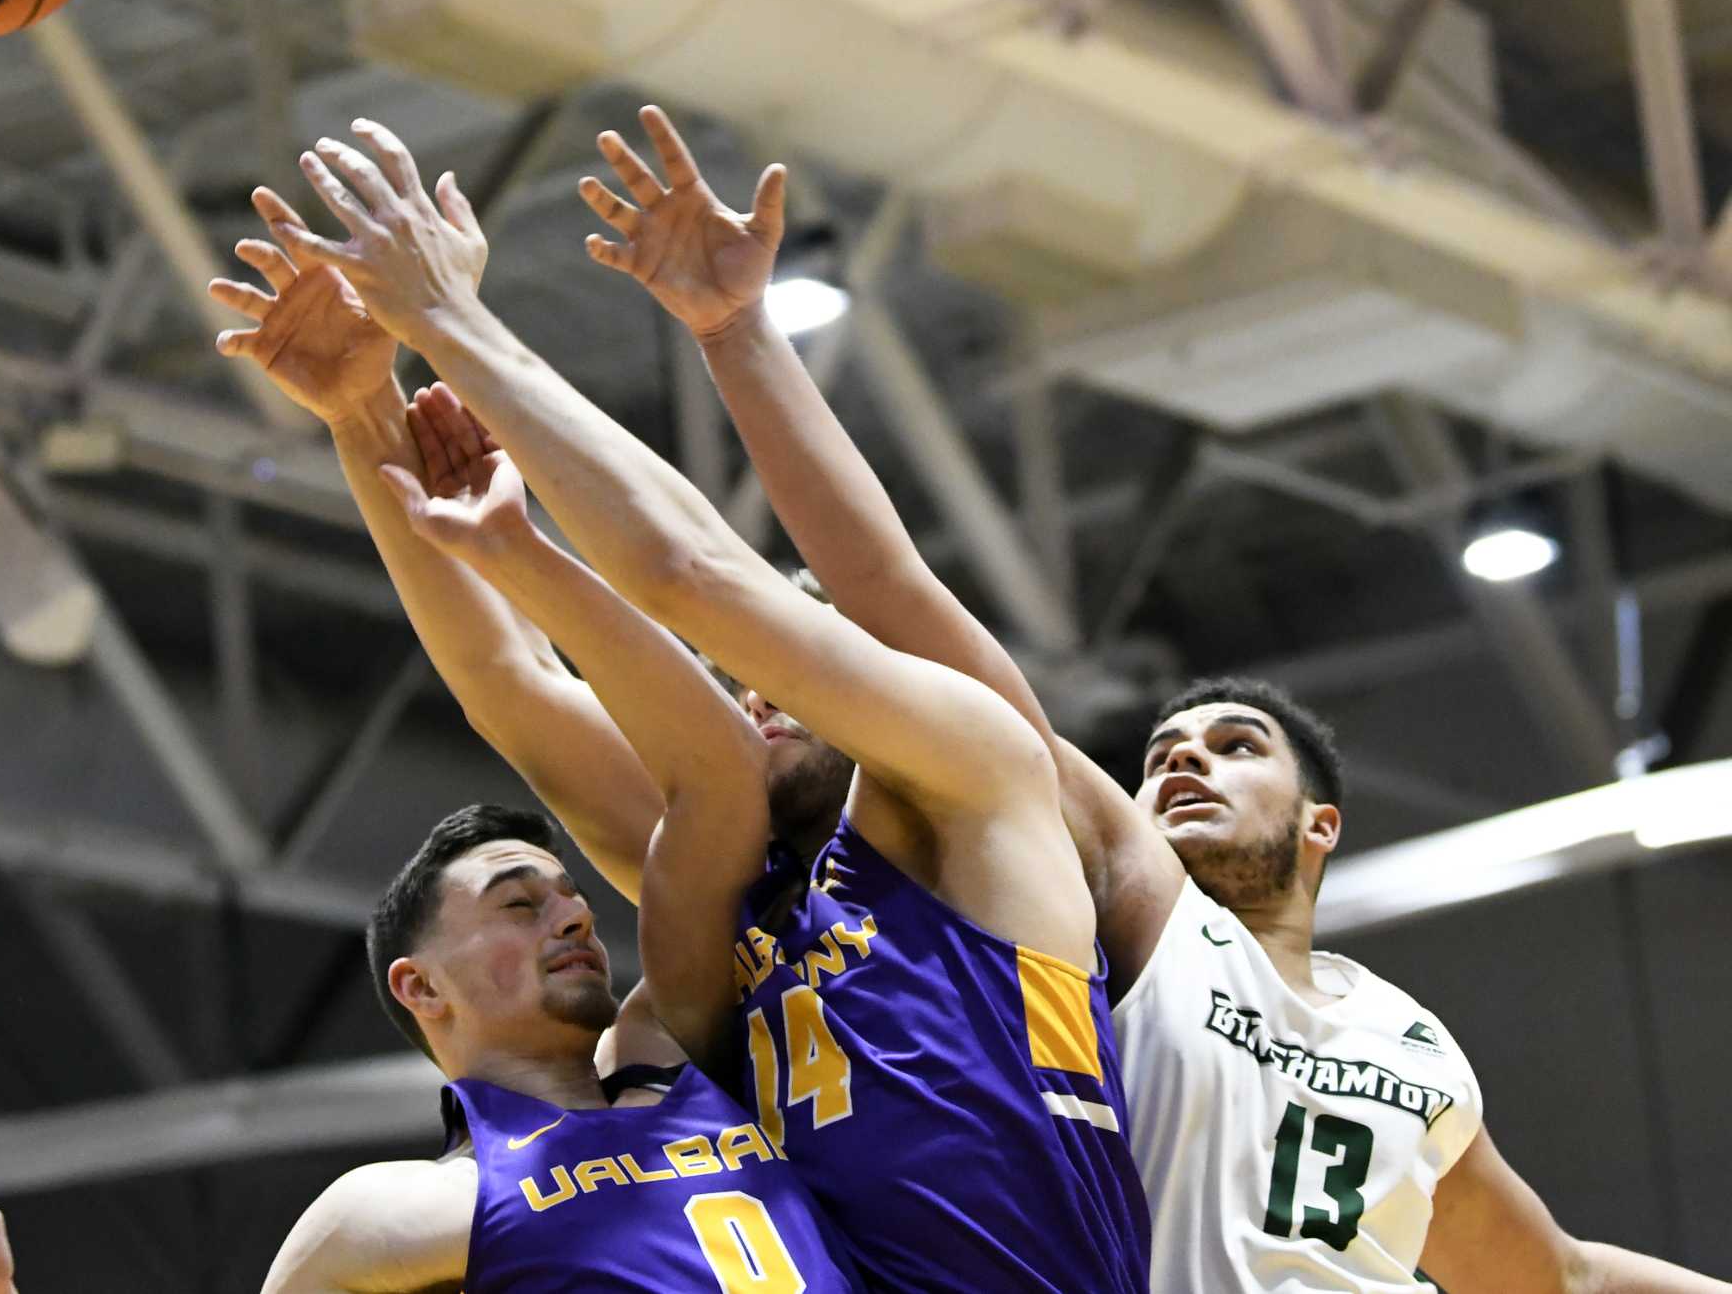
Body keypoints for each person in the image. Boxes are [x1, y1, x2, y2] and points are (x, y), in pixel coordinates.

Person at [558, 107, 1732, 1293]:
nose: (1184, 759)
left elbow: (1562, 1273)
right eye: (1165, 744)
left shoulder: (1407, 1037)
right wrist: (738, 335)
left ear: (1319, 819)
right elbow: (887, 589)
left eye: (1235, 744)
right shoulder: (1134, 898)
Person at [224, 116, 1150, 1293]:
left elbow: (689, 579)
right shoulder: (733, 907)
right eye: (734, 685)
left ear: (860, 674)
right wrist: (364, 413)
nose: (749, 693)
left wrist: (449, 319)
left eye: (784, 667)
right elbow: (515, 692)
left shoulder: (975, 779)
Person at [0, 801, 864, 1294]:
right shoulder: (395, 1211)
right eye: (517, 901)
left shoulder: (677, 1057)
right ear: (419, 986)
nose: (573, 916)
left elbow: (703, 806)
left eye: (572, 897)